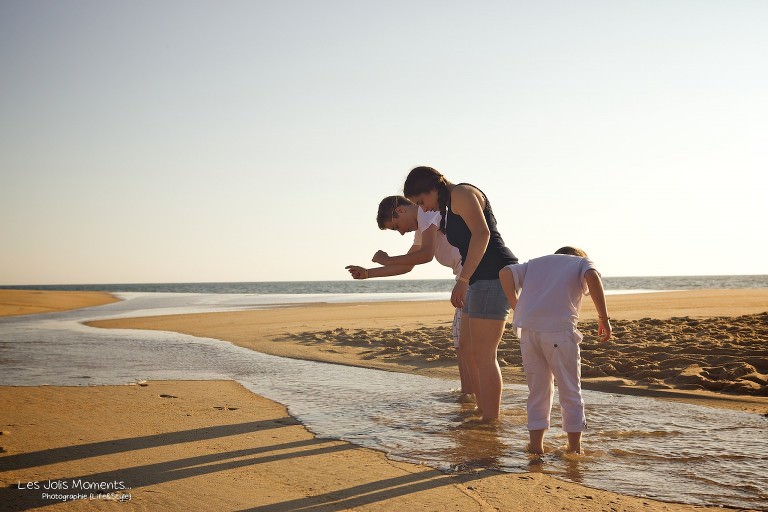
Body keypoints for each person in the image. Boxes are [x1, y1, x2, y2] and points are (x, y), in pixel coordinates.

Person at [403, 166, 518, 422]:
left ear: (433, 188)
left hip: (494, 275)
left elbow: (482, 233)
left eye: (422, 201)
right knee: (467, 349)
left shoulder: (463, 193)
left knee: (485, 354)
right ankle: (481, 409)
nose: (423, 208)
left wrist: (463, 280)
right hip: (478, 278)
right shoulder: (448, 205)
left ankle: (490, 419)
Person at [345, 195, 474, 396]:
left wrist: (387, 260)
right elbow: (407, 266)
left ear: (400, 211)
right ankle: (468, 396)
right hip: (464, 281)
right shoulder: (422, 226)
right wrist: (369, 273)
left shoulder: (427, 214)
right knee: (460, 345)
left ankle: (478, 401)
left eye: (396, 227)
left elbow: (426, 255)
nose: (402, 233)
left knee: (468, 346)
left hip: (472, 278)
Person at [498, 246, 612, 454]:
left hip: (529, 332)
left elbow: (505, 273)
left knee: (538, 390)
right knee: (570, 389)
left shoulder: (536, 263)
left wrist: (517, 305)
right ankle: (574, 448)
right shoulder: (580, 262)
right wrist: (603, 317)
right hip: (558, 332)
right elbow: (592, 276)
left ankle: (535, 446)